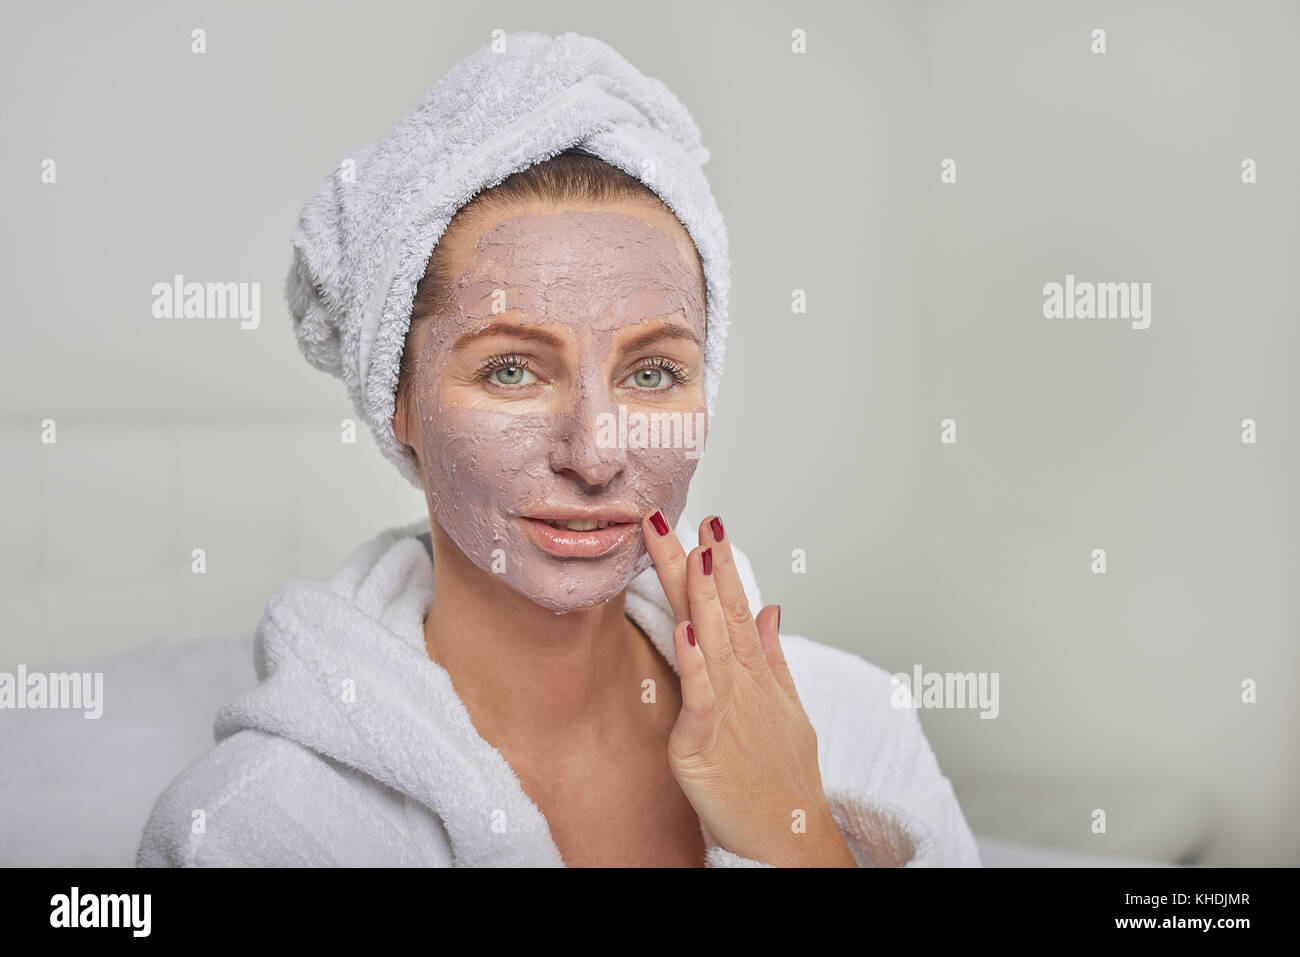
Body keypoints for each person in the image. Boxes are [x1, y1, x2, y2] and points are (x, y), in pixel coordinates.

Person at [137, 32, 981, 868]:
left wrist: (800, 838)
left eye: (652, 373)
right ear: (398, 401)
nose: (596, 454)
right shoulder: (258, 829)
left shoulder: (852, 726)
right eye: (511, 370)